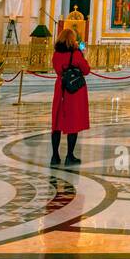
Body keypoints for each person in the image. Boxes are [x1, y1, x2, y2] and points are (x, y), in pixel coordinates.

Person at [51, 27, 90, 166]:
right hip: (74, 91)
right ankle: (69, 156)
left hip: (60, 88)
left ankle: (55, 156)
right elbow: (86, 70)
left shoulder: (56, 54)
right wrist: (84, 55)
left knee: (56, 122)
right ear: (73, 40)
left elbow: (56, 69)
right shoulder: (76, 54)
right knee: (73, 122)